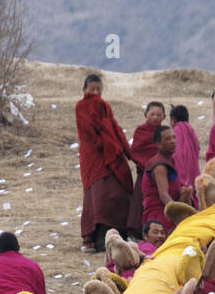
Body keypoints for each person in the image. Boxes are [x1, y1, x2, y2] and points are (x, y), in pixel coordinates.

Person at [76, 74, 134, 253]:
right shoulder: (81, 107)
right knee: (98, 193)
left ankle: (121, 233)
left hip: (111, 152)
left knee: (118, 191)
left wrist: (125, 149)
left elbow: (113, 127)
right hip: (93, 155)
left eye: (98, 90)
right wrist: (105, 142)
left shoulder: (104, 105)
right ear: (84, 90)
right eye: (92, 89)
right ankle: (95, 236)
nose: (95, 93)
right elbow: (88, 132)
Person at [141, 126, 192, 232]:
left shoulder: (170, 160)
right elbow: (164, 195)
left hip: (169, 209)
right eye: (168, 139)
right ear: (158, 144)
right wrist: (179, 215)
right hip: (161, 214)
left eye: (174, 137)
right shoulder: (159, 165)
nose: (173, 141)